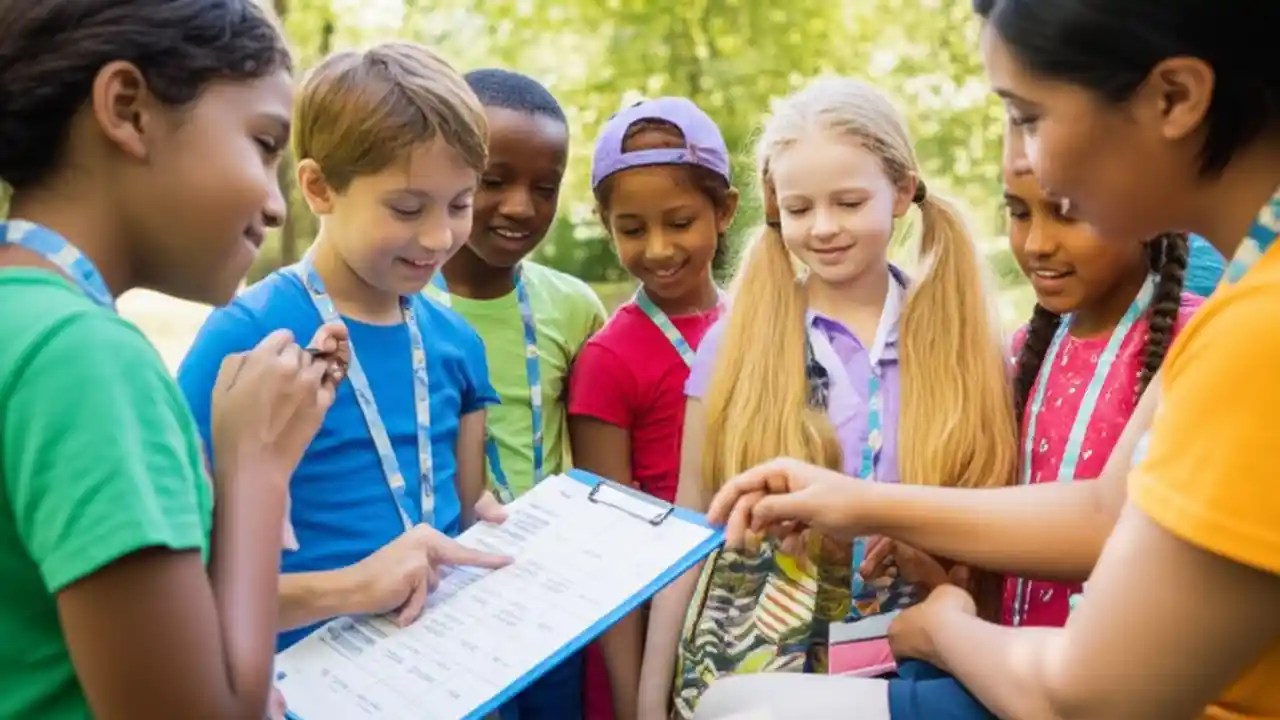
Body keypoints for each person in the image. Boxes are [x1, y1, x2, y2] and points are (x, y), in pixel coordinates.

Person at [700, 2, 1280, 718]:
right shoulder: (1244, 296)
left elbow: (1085, 698)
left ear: (1175, 98)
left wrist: (946, 627)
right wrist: (859, 502)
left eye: (1027, 115)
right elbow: (1106, 509)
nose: (1018, 161)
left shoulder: (1258, 336)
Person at [0, 2, 345, 718]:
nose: (278, 207)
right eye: (263, 142)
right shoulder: (84, 359)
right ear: (129, 110)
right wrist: (256, 470)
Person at [638, 77, 1018, 720]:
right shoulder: (735, 344)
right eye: (800, 207)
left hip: (913, 662)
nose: (823, 228)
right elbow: (688, 529)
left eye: (848, 202)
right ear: (774, 207)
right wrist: (649, 701)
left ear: (900, 192)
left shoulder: (964, 342)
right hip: (753, 662)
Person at [177, 42, 510, 653]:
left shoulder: (456, 342)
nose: (440, 236)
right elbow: (183, 589)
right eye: (407, 207)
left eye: (460, 204)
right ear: (319, 187)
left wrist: (488, 520)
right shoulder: (246, 338)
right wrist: (354, 587)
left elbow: (463, 513)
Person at [424, 67, 606, 720]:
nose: (522, 206)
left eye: (545, 187)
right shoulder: (403, 303)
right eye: (494, 181)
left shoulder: (574, 307)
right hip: (443, 596)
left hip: (552, 597)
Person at [568, 97, 740, 720]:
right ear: (607, 224)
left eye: (680, 221)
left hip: (754, 618)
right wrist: (632, 694)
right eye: (633, 229)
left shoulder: (760, 325)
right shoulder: (608, 359)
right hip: (648, 650)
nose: (660, 248)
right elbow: (608, 548)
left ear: (724, 211)